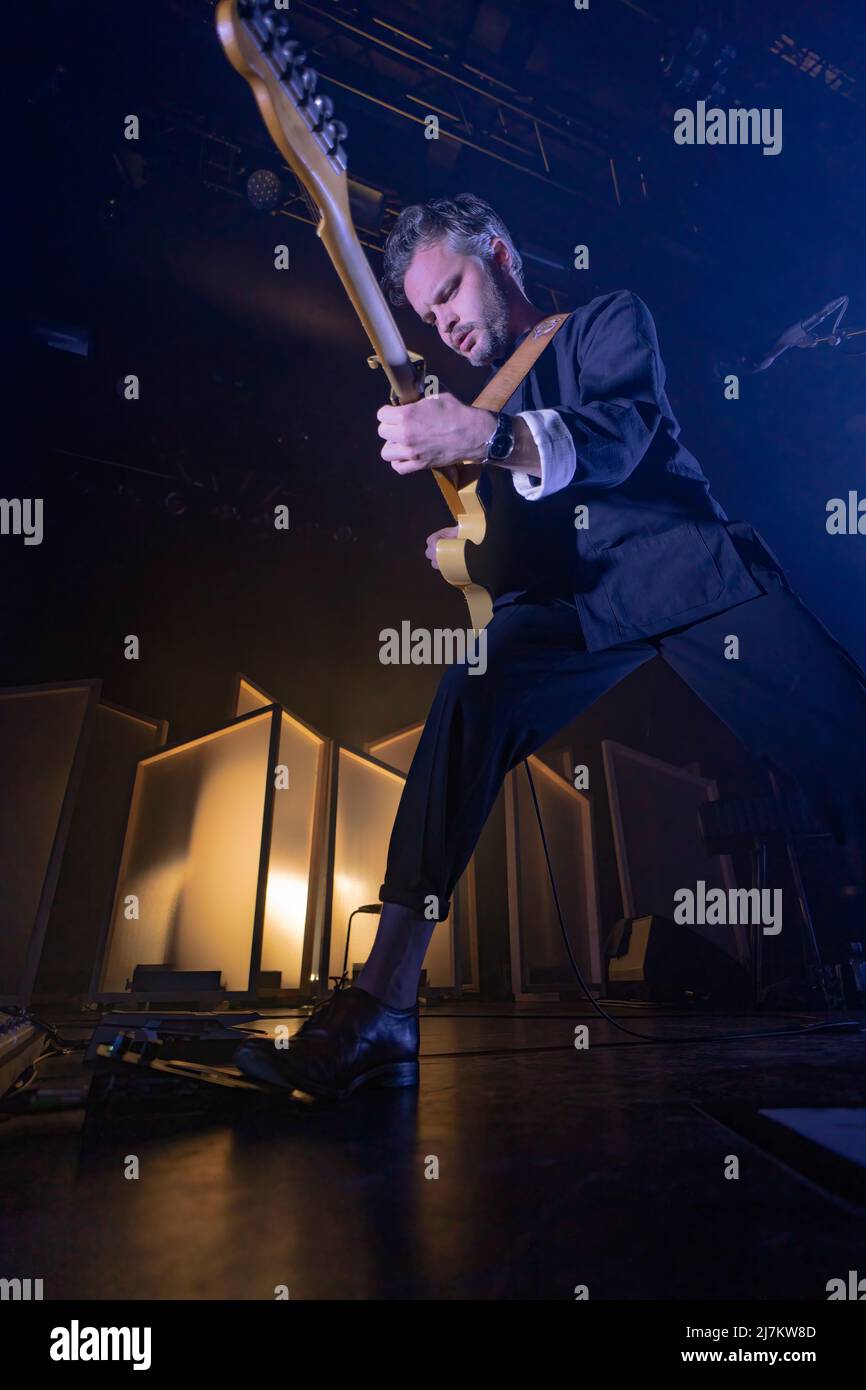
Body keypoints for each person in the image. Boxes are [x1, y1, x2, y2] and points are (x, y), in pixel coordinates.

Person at [234, 194, 866, 1100]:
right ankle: (382, 1002)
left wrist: (481, 434)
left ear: (499, 255)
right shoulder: (475, 398)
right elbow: (509, 529)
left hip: (684, 567)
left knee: (846, 747)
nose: (444, 320)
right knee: (471, 695)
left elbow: (620, 436)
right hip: (572, 604)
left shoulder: (607, 321)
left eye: (450, 289)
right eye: (427, 313)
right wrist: (462, 545)